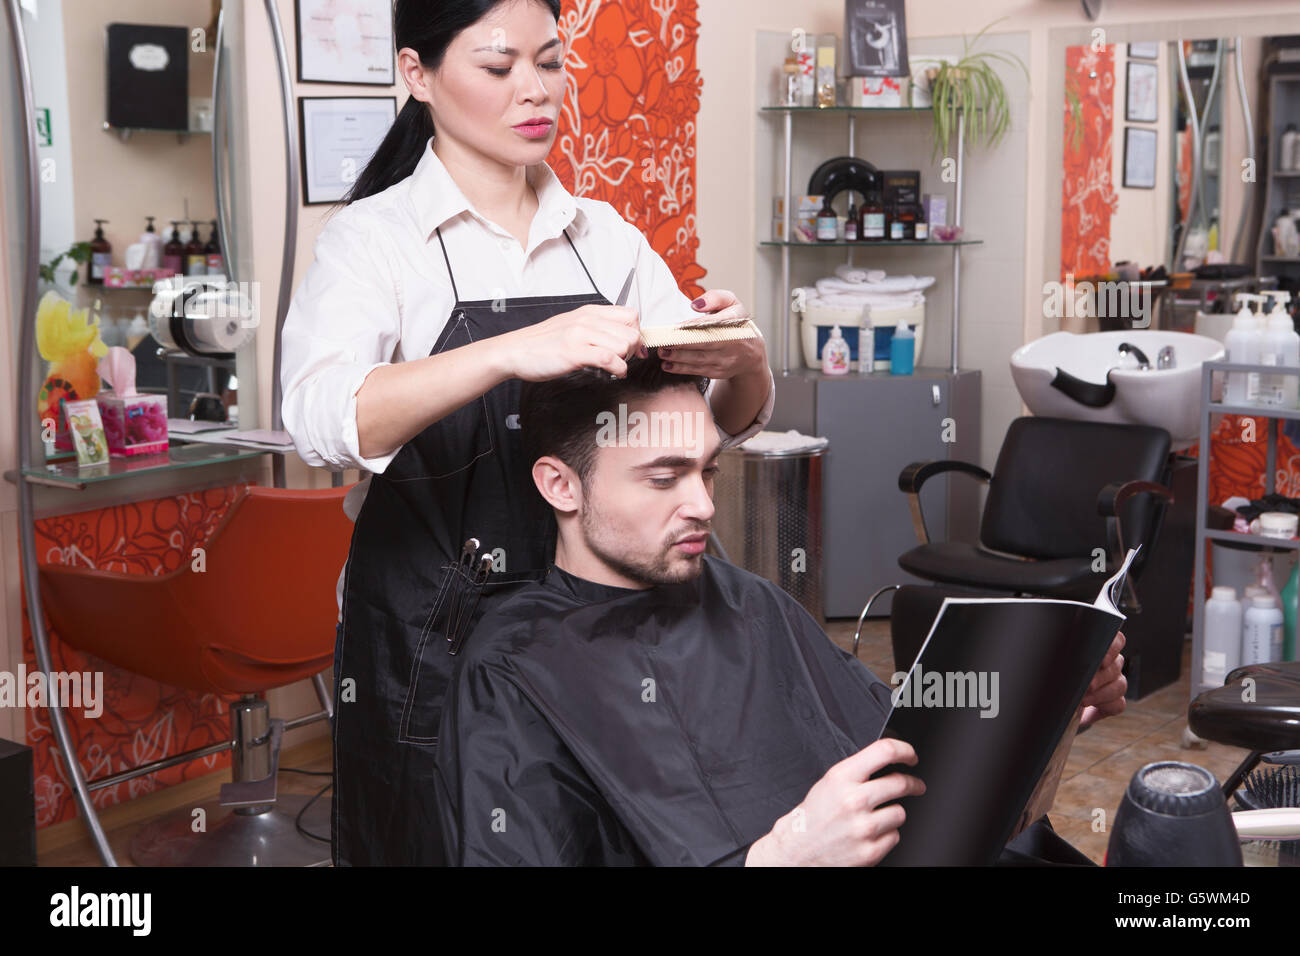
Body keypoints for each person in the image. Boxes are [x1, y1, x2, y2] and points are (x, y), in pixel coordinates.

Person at [279, 0, 773, 866]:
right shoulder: (375, 242)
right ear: (417, 75)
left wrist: (745, 362)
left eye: (550, 62)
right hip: (432, 633)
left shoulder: (605, 240)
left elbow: (706, 428)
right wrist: (512, 352)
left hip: (604, 625)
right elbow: (322, 421)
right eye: (499, 68)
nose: (535, 91)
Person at [433, 356, 1128, 865]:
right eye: (663, 476)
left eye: (707, 469)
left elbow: (902, 750)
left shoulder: (748, 600)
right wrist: (783, 859)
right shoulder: (511, 670)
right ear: (561, 485)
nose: (703, 504)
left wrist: (1052, 703)